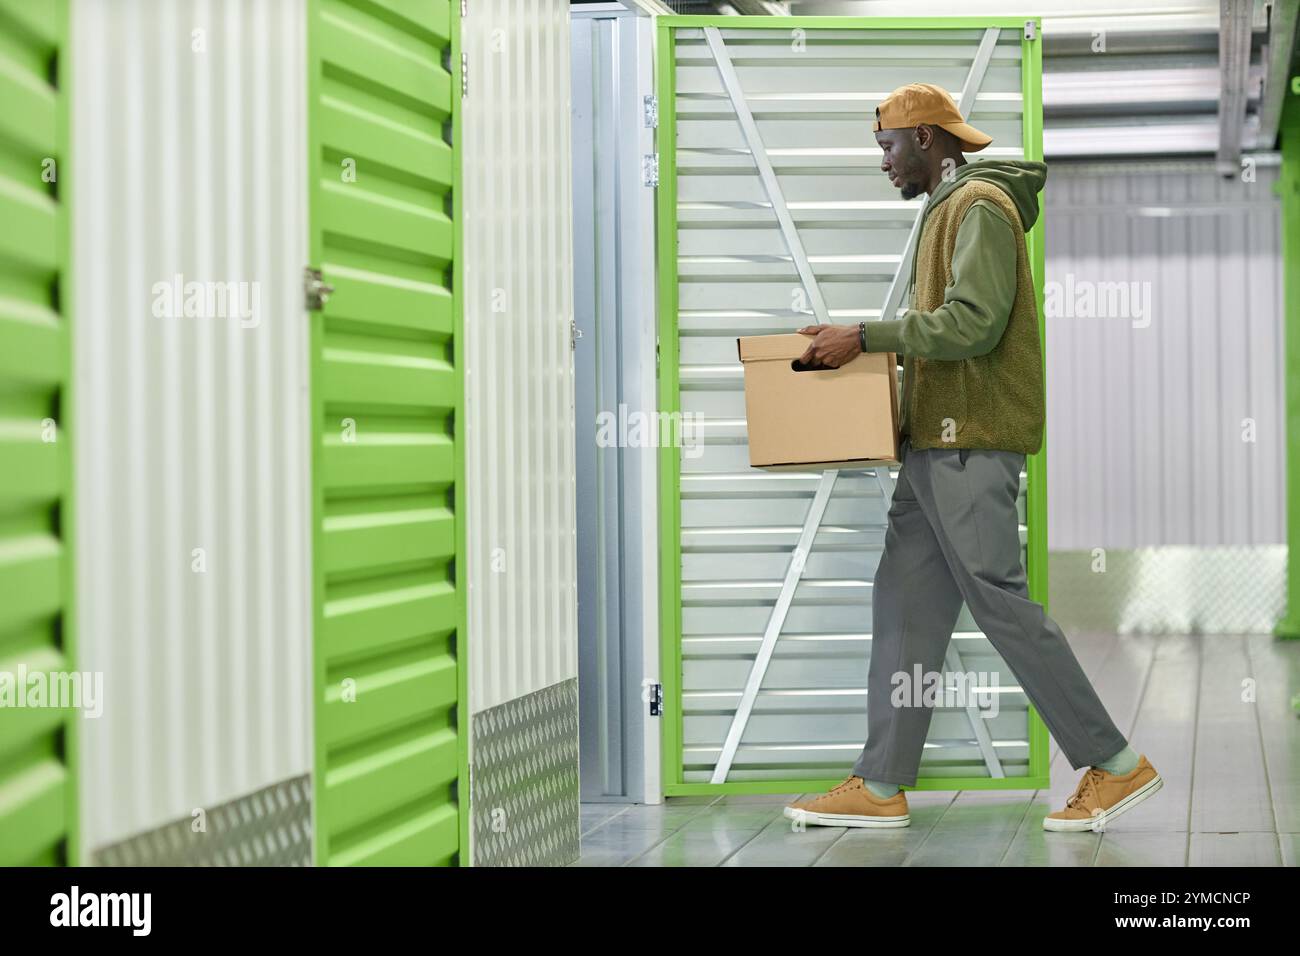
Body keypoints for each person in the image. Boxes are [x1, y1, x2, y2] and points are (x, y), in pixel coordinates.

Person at [783, 83, 1162, 833]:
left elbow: (974, 324)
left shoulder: (978, 206)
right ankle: (881, 781)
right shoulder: (946, 208)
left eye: (888, 148)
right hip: (933, 448)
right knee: (904, 609)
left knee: (1000, 603)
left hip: (972, 440)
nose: (884, 164)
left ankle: (1115, 764)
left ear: (926, 138)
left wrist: (864, 336)